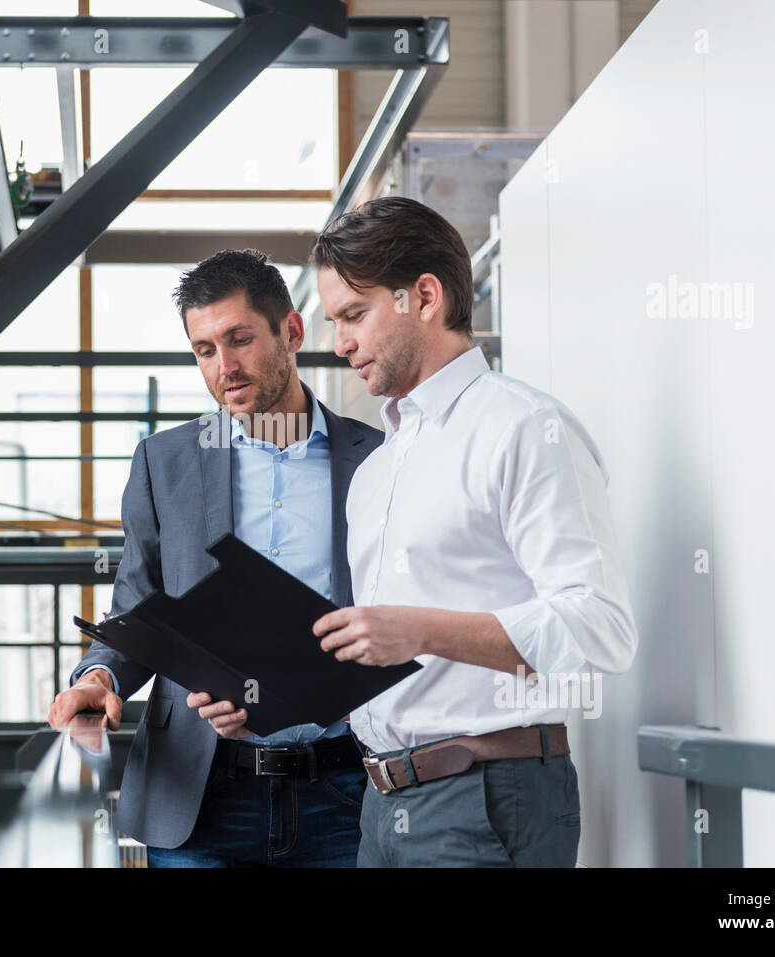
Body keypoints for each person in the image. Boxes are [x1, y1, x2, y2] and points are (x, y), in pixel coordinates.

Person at [309, 196, 639, 867]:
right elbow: (391, 652)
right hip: (380, 803)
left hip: (487, 799)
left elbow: (600, 629)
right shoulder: (374, 472)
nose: (340, 343)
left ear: (423, 296)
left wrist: (424, 630)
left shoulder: (522, 428)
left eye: (353, 315)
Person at [47, 249, 383, 867]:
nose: (224, 367)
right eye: (204, 349)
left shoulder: (378, 459)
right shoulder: (164, 462)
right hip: (202, 796)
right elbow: (138, 610)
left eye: (239, 339)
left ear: (292, 331)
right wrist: (99, 679)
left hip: (345, 791)